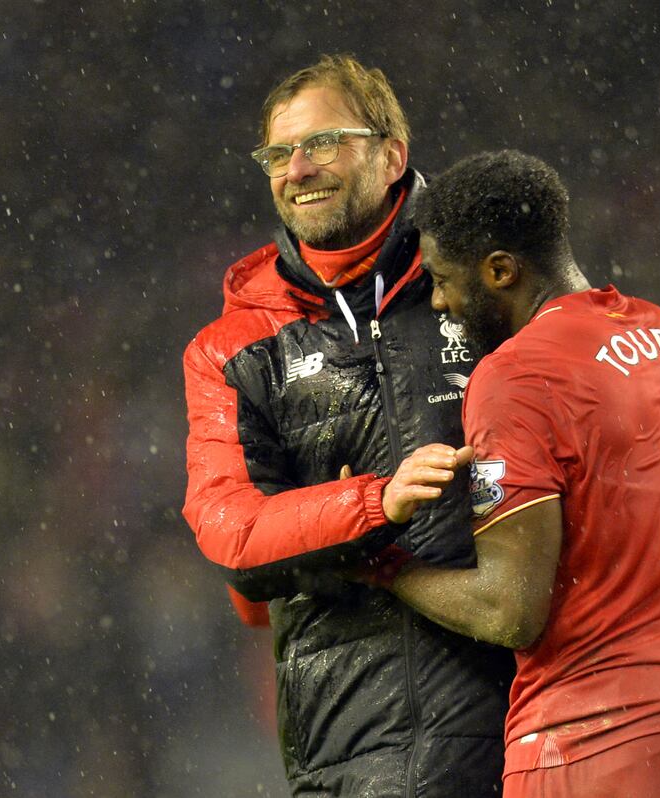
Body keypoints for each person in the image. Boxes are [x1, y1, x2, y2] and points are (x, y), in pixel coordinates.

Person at [375, 150, 660, 797]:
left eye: (443, 279)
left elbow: (510, 610)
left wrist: (387, 568)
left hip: (604, 736)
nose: (441, 303)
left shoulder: (516, 374)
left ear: (500, 270)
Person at [181, 56, 514, 797]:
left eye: (324, 142)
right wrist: (372, 506)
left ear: (393, 154)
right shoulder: (232, 350)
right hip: (351, 757)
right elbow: (237, 543)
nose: (298, 168)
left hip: (524, 732)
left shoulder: (489, 274)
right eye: (279, 153)